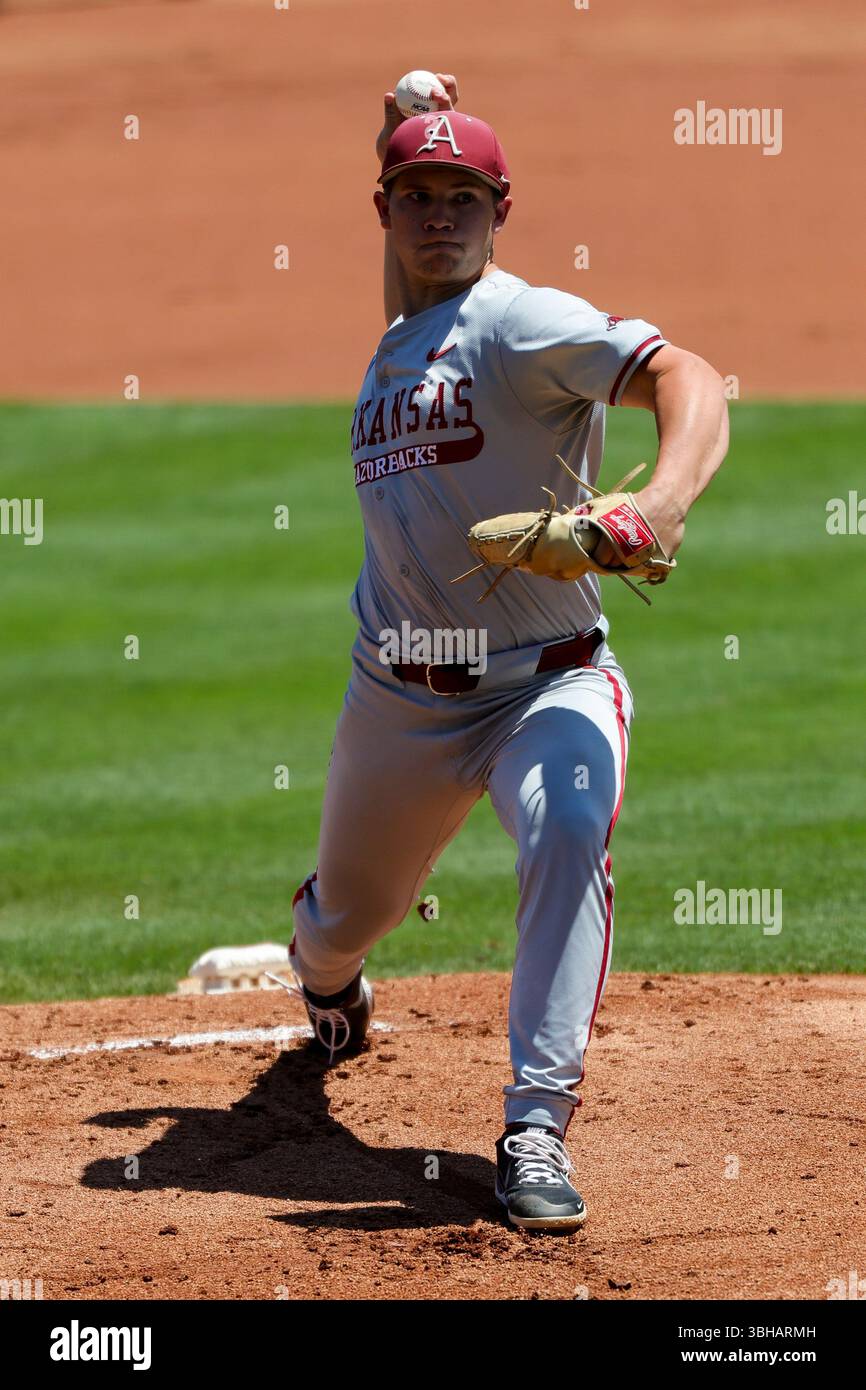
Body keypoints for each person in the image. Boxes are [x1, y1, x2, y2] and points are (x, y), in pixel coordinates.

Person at [278, 76, 728, 1230]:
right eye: (414, 195)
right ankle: (332, 990)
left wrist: (662, 505)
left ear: (500, 208)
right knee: (342, 921)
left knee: (571, 821)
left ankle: (534, 1125)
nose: (439, 215)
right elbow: (419, 297)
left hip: (549, 683)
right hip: (398, 701)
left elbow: (686, 374)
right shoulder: (396, 339)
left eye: (461, 196)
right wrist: (400, 113)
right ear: (383, 212)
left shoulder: (522, 320)